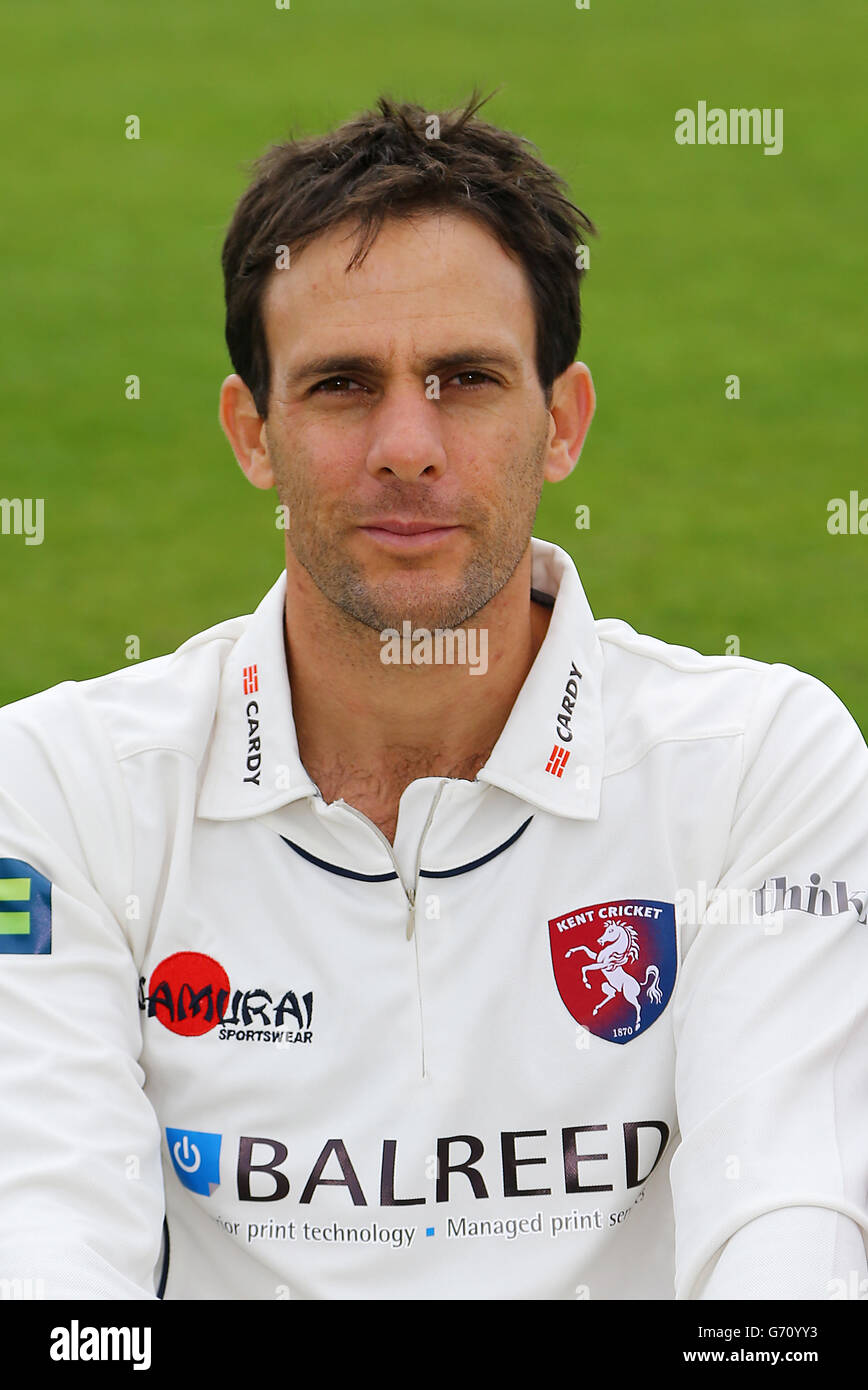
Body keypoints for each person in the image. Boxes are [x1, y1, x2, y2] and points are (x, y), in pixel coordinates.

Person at [1, 92, 866, 1302]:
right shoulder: (61, 786)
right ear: (252, 433)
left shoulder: (758, 760)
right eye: (344, 385)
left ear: (559, 423)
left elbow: (790, 1244)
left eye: (465, 378)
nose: (406, 444)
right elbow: (49, 1259)